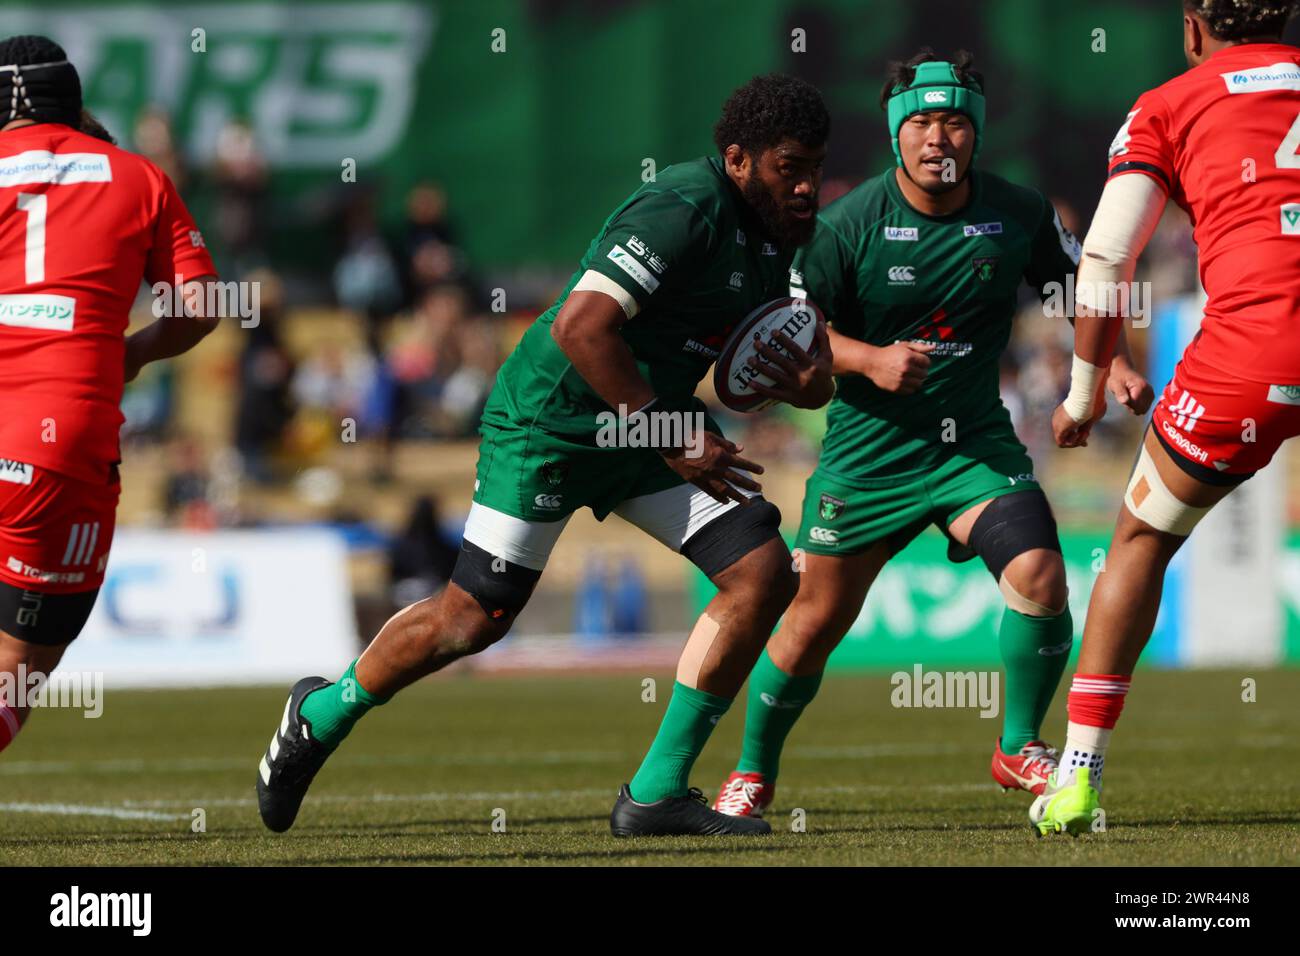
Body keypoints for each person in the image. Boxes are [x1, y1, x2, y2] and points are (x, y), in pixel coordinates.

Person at [255, 73, 834, 837]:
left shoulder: (784, 242)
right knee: (474, 617)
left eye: (814, 168)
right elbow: (580, 331)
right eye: (789, 166)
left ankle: (656, 794)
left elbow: (792, 365)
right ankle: (323, 711)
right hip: (553, 419)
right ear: (737, 160)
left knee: (760, 571)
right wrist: (670, 431)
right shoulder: (680, 208)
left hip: (646, 428)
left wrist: (805, 382)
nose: (805, 186)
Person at [711, 51, 1152, 819]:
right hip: (866, 455)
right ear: (895, 135)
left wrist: (1105, 365)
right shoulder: (845, 224)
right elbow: (796, 331)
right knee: (812, 623)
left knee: (1042, 577)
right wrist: (869, 359)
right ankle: (752, 772)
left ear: (976, 133)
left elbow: (1079, 290)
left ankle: (1018, 747)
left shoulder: (1018, 211)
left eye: (954, 121)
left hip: (974, 447)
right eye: (920, 121)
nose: (937, 138)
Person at [1035, 0, 1300, 835]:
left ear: (1193, 26)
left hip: (1250, 357)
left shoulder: (1170, 102)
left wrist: (1081, 396)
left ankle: (1077, 778)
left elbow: (1110, 254)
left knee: (1141, 541)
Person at [0, 35, 218, 753]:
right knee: (21, 669)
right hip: (54, 448)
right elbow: (201, 302)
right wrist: (130, 353)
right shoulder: (139, 177)